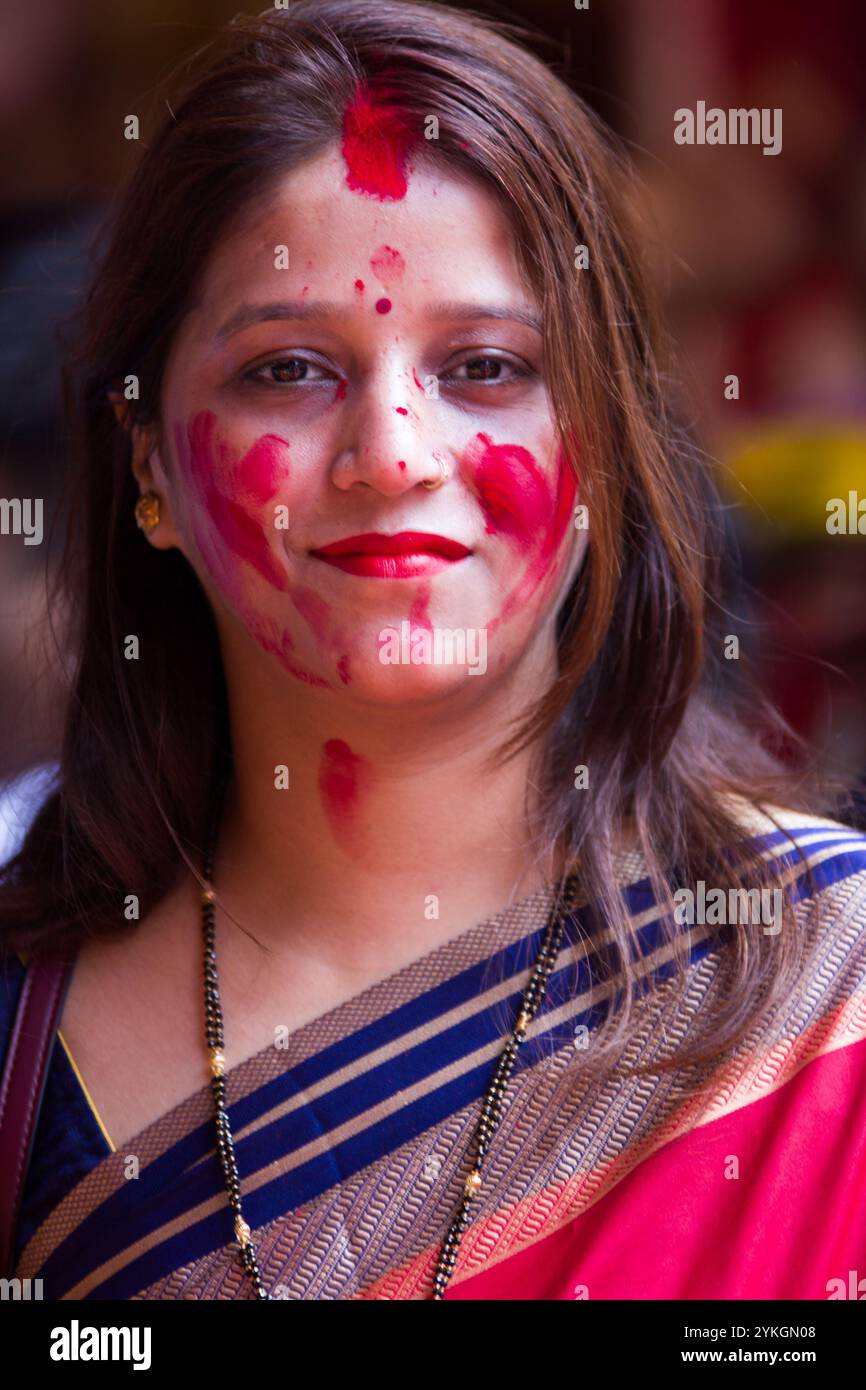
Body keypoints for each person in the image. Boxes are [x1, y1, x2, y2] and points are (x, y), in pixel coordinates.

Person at [1, 0, 864, 1302]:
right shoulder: (21, 1042)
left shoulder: (829, 988)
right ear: (150, 467)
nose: (394, 452)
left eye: (482, 365)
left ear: (606, 449)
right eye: (289, 369)